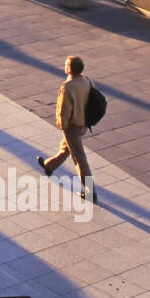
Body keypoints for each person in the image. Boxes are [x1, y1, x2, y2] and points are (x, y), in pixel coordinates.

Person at [38, 55, 98, 203]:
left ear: (70, 69)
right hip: (83, 122)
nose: (64, 66)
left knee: (79, 159)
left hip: (72, 125)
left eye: (66, 65)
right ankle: (49, 166)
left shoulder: (68, 86)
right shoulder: (87, 81)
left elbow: (64, 109)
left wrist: (62, 125)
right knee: (66, 148)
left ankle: (91, 192)